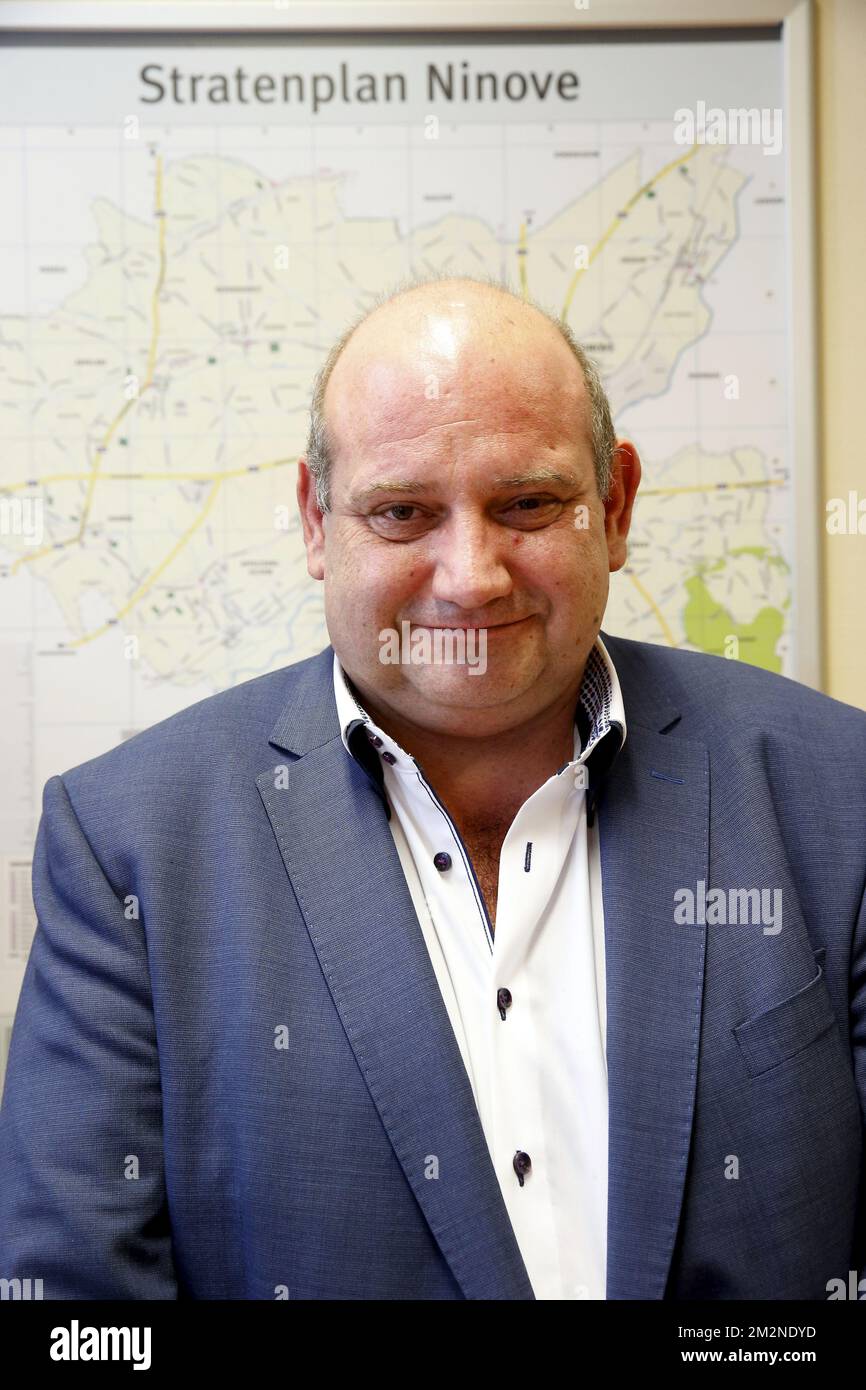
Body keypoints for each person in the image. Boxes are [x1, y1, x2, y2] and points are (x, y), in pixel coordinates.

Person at [0, 273, 863, 1301]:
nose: (472, 575)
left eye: (528, 504)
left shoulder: (835, 793)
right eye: (402, 511)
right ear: (318, 524)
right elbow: (78, 1311)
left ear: (615, 505)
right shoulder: (130, 843)